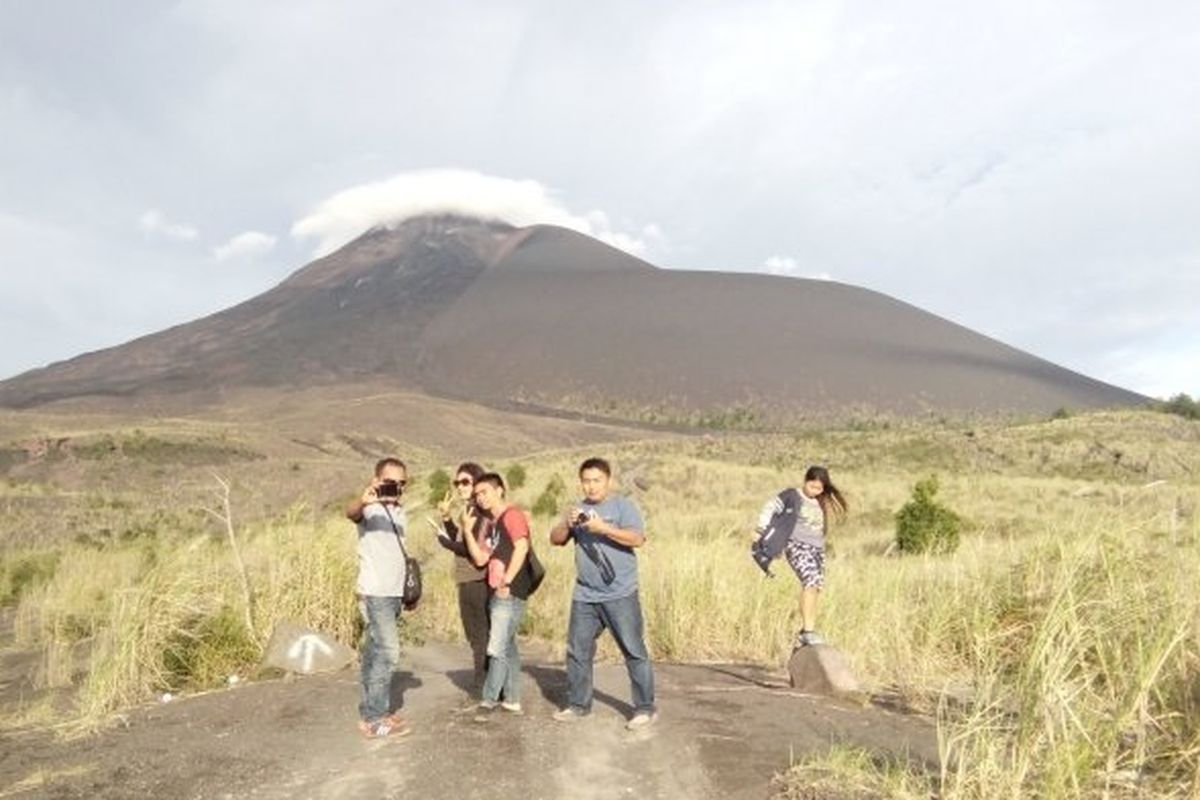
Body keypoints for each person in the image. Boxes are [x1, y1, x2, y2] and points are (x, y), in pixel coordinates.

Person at [550, 457, 657, 730]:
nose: (591, 486)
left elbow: (638, 539)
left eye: (597, 480)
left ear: (608, 481)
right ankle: (578, 705)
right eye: (586, 481)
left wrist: (603, 528)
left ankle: (644, 708)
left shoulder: (623, 507)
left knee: (633, 650)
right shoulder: (578, 509)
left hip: (620, 592)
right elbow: (556, 539)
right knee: (578, 650)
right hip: (585, 594)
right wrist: (567, 524)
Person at [345, 456, 413, 738]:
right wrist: (363, 500)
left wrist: (407, 592)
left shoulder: (400, 513)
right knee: (388, 652)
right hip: (375, 593)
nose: (396, 487)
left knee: (374, 655)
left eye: (402, 483)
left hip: (393, 593)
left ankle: (373, 712)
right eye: (390, 482)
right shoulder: (369, 509)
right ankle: (374, 719)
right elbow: (351, 513)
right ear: (376, 481)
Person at [458, 472, 533, 719]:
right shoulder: (494, 523)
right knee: (508, 646)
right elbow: (481, 558)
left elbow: (522, 546)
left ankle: (488, 700)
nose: (480, 497)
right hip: (498, 591)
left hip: (509, 592)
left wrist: (507, 580)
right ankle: (512, 699)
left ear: (500, 490)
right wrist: (467, 531)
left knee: (497, 646)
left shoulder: (512, 515)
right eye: (477, 494)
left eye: (485, 492)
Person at [754, 465, 848, 648]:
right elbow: (770, 507)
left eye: (819, 488)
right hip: (797, 545)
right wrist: (760, 530)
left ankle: (807, 630)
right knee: (810, 582)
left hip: (817, 549)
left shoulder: (819, 501)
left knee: (816, 587)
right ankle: (808, 631)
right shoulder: (792, 495)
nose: (815, 491)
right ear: (805, 481)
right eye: (812, 486)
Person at [435, 462, 491, 688]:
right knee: (475, 635)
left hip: (477, 578)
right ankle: (487, 685)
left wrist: (444, 541)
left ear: (477, 482)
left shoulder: (479, 512)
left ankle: (483, 686)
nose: (460, 487)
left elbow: (470, 549)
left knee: (479, 635)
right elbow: (460, 539)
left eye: (465, 482)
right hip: (466, 578)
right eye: (457, 482)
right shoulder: (468, 510)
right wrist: (447, 519)